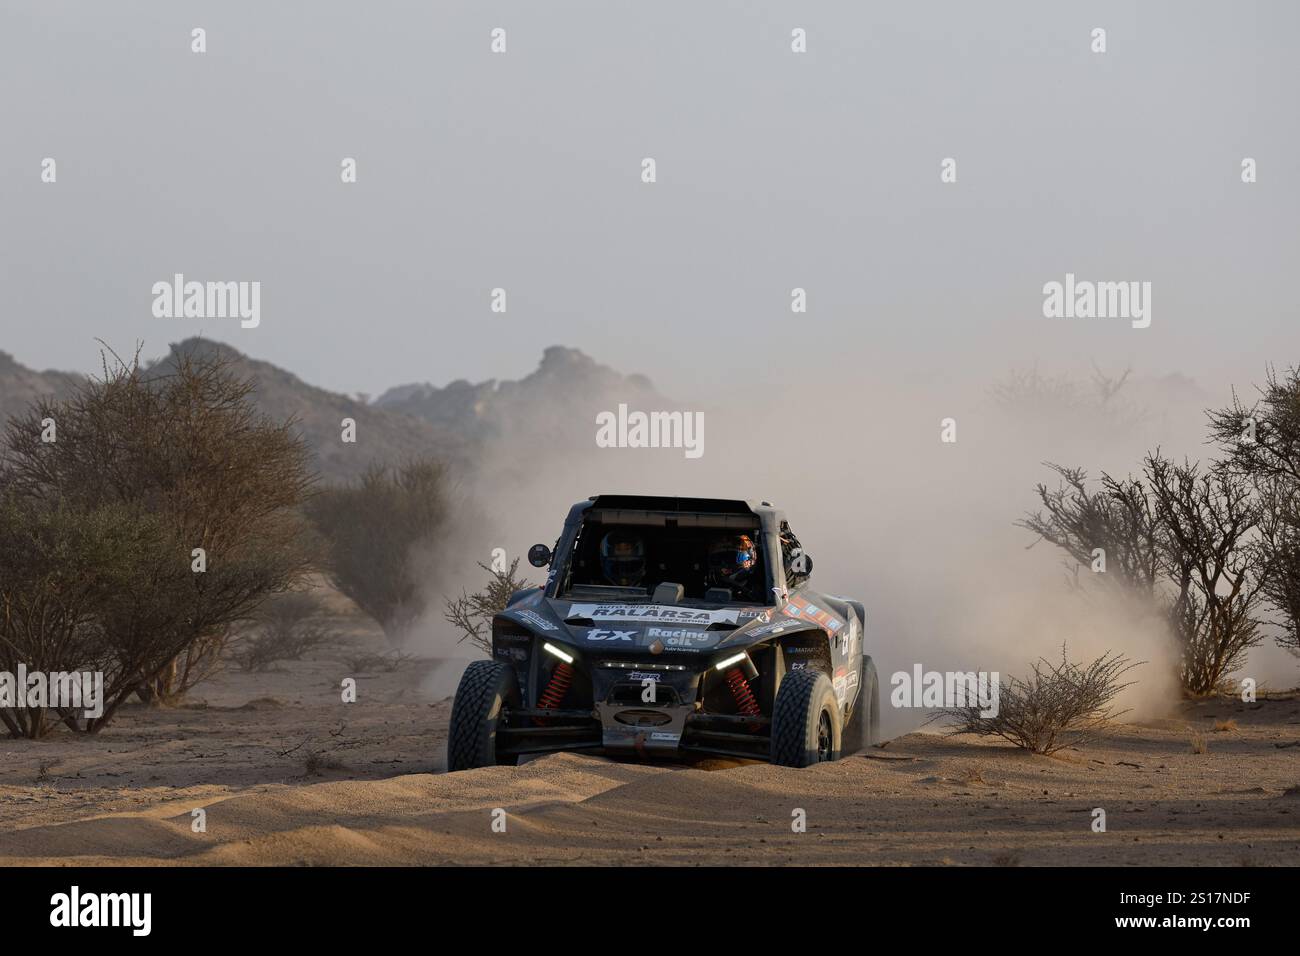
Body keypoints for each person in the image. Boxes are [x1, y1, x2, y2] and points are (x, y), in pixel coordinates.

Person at [707, 533, 758, 598]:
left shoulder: (757, 594)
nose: (725, 565)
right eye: (718, 559)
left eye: (732, 558)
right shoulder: (707, 588)